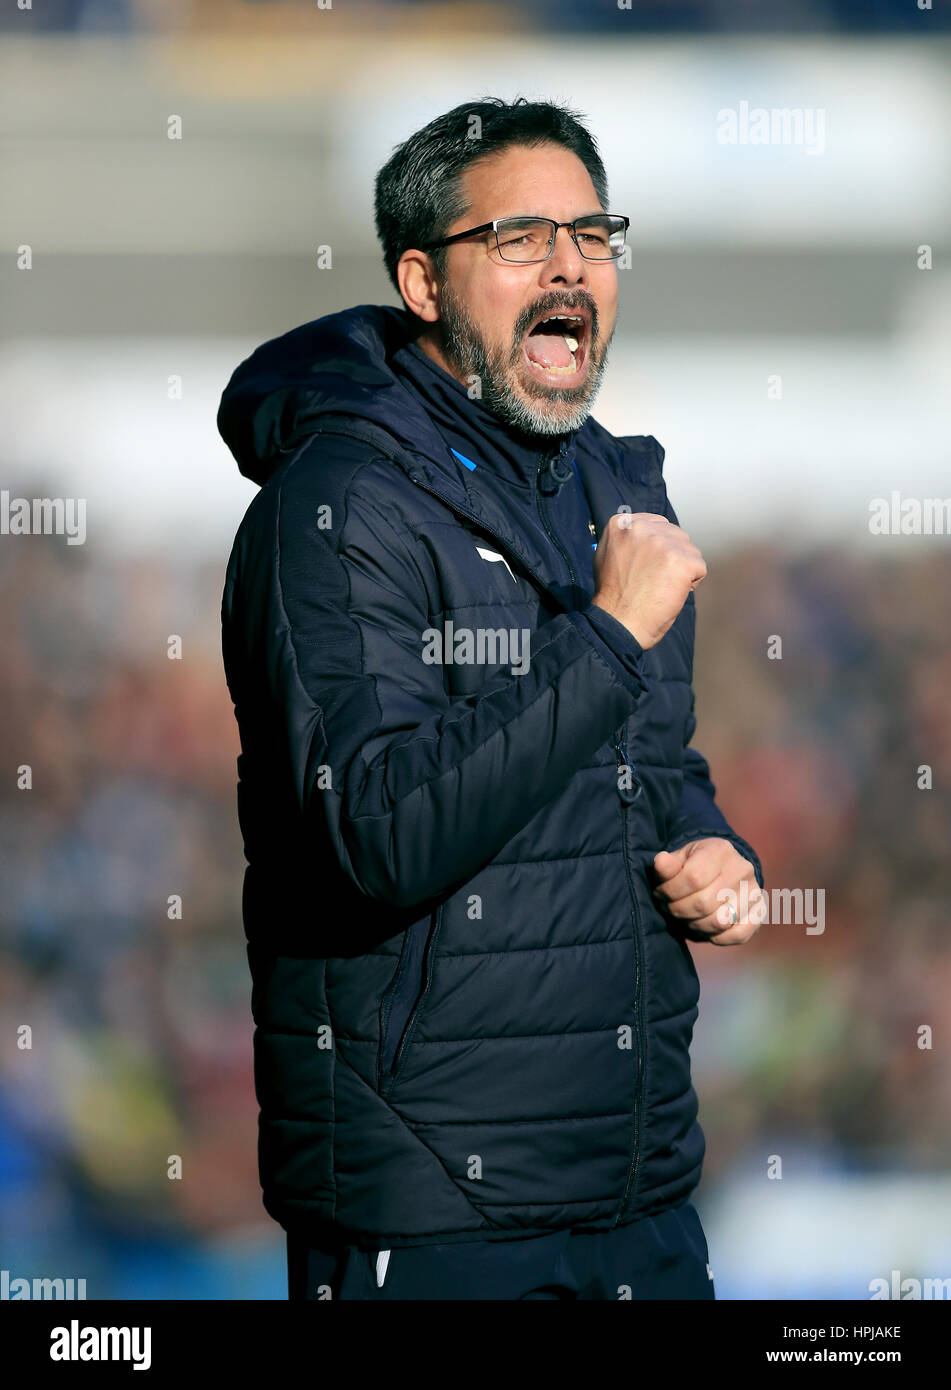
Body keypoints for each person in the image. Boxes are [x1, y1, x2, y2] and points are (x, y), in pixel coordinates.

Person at [217, 96, 765, 1301]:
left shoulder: (613, 488)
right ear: (424, 282)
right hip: (435, 1215)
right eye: (520, 238)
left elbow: (650, 761)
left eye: (593, 233)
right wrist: (613, 634)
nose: (570, 265)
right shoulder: (337, 509)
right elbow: (379, 830)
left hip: (642, 1192)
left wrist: (711, 842)